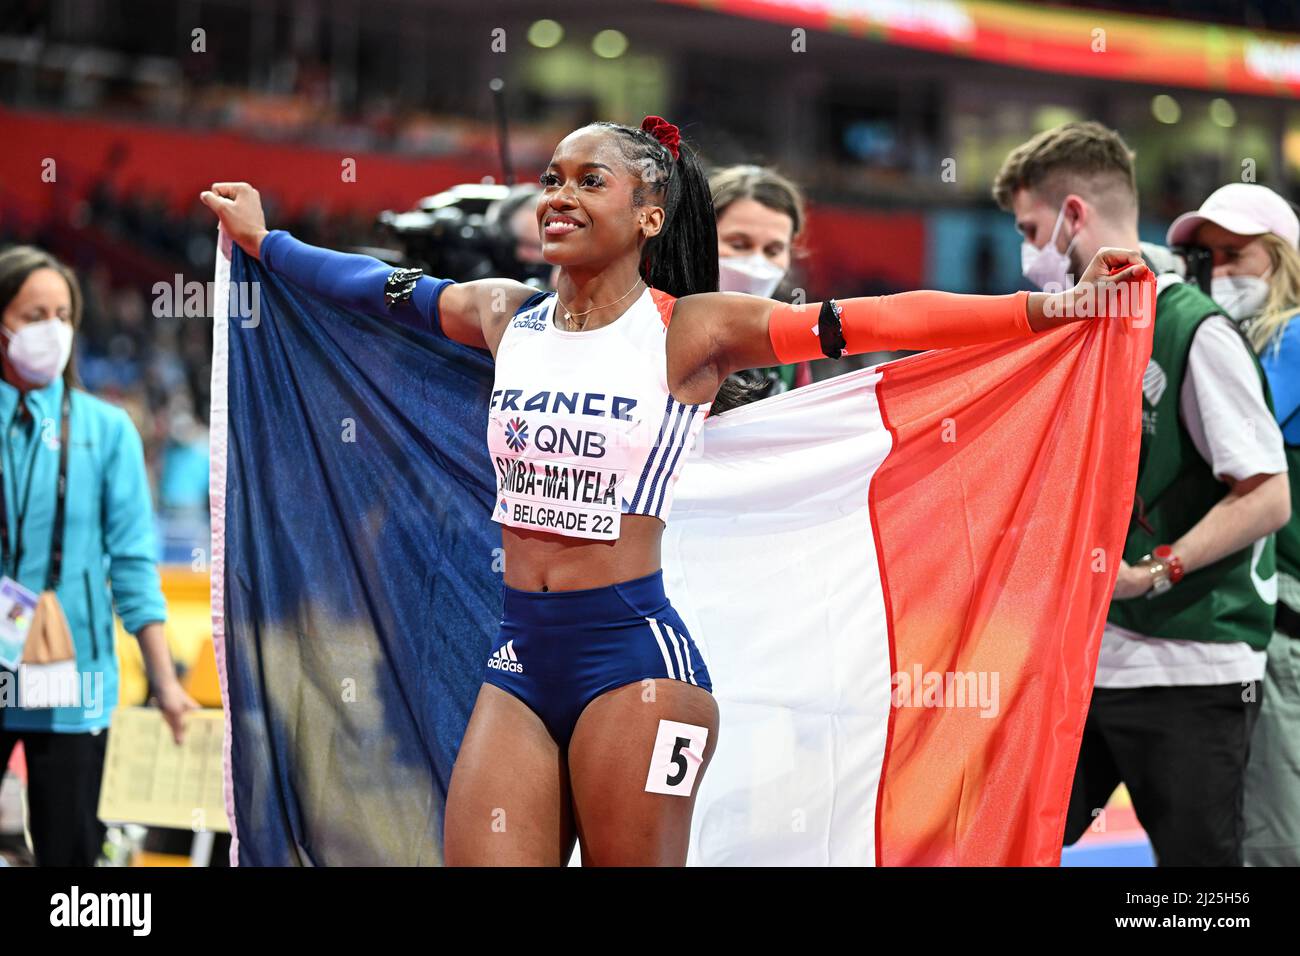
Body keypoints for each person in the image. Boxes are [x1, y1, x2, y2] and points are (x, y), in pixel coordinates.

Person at [202, 115, 1147, 867]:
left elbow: (872, 319)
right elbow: (377, 286)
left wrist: (1049, 307)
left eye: (589, 182)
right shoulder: (505, 315)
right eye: (553, 182)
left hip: (635, 665)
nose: (560, 196)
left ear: (650, 216)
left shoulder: (693, 331)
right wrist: (268, 241)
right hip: (520, 659)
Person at [994, 122, 1292, 866]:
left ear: (1070, 216)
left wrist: (1155, 571)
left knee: (1211, 886)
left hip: (1195, 659)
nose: (1026, 251)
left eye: (1031, 229)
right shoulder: (1084, 328)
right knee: (1003, 840)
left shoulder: (1197, 331)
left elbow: (1266, 496)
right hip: (1091, 655)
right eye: (1208, 254)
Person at [0, 245, 197, 867]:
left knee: (74, 866)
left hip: (73, 682)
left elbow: (134, 567)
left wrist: (165, 682)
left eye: (63, 314)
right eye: (34, 314)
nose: (51, 330)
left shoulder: (106, 430)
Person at [1167, 182, 1300, 866]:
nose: (1216, 271)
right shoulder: (1223, 343)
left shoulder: (1291, 343)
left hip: (1280, 634)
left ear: (1279, 259)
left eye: (1235, 255)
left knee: (1267, 841)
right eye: (1204, 256)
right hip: (1234, 631)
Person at [710, 164, 809, 409]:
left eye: (773, 250)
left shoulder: (793, 348)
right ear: (698, 237)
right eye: (739, 244)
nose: (756, 263)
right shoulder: (651, 326)